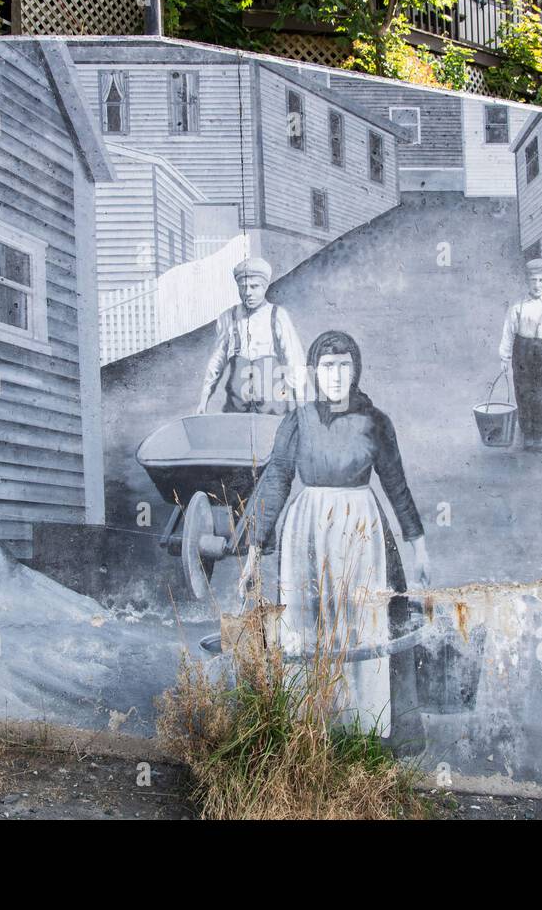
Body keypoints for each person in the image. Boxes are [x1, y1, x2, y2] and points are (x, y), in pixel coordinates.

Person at [232, 330, 430, 737]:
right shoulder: (297, 421)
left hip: (362, 531)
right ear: (314, 372)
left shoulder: (375, 423)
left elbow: (396, 484)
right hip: (306, 531)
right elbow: (276, 482)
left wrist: (420, 549)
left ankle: (363, 725)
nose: (336, 375)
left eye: (344, 365)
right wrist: (253, 554)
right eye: (327, 366)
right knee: (308, 623)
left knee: (362, 620)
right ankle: (311, 726)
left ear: (356, 370)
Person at [198, 257, 305, 414]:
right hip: (237, 404)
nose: (247, 293)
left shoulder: (277, 316)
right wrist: (204, 398)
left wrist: (300, 404)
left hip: (273, 403)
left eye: (254, 287)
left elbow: (294, 359)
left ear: (265, 287)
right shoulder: (228, 317)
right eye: (243, 287)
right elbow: (217, 360)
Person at [499, 258, 542, 453]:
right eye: (533, 280)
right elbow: (508, 332)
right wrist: (504, 357)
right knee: (524, 392)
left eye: (541, 280)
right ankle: (528, 436)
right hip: (522, 351)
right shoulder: (518, 306)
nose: (537, 285)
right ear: (527, 282)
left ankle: (541, 437)